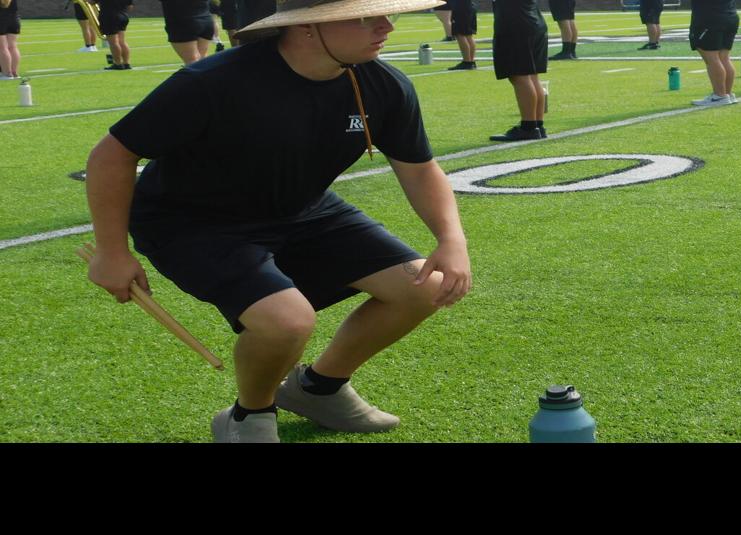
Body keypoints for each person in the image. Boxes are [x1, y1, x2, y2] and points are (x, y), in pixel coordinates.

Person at [83, 0, 472, 444]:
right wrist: (112, 252)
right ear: (308, 27)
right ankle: (249, 416)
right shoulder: (214, 82)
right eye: (366, 17)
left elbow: (420, 169)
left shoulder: (382, 84)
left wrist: (451, 238)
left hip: (302, 209)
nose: (386, 26)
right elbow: (112, 154)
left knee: (427, 287)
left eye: (388, 14)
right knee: (287, 321)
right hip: (194, 221)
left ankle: (319, 390)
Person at [490, 0, 547, 140]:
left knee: (520, 76)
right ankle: (537, 125)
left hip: (516, 23)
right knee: (532, 77)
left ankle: (529, 127)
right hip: (531, 19)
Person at [688, 0, 738, 106]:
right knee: (723, 57)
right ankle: (727, 94)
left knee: (711, 57)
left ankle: (720, 95)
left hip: (710, 17)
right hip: (730, 14)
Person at [99, 0, 134, 69]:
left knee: (113, 43)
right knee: (122, 42)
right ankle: (126, 63)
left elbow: (91, 2)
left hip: (109, 17)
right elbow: (130, 7)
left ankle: (118, 64)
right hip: (123, 16)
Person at [446, 0, 476, 69]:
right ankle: (471, 62)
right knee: (468, 35)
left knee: (460, 34)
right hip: (469, 7)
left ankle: (467, 62)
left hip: (460, 8)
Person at [0, 0, 19, 79]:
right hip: (14, 20)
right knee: (12, 47)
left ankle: (7, 74)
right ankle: (14, 72)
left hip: (1, 20)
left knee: (2, 47)